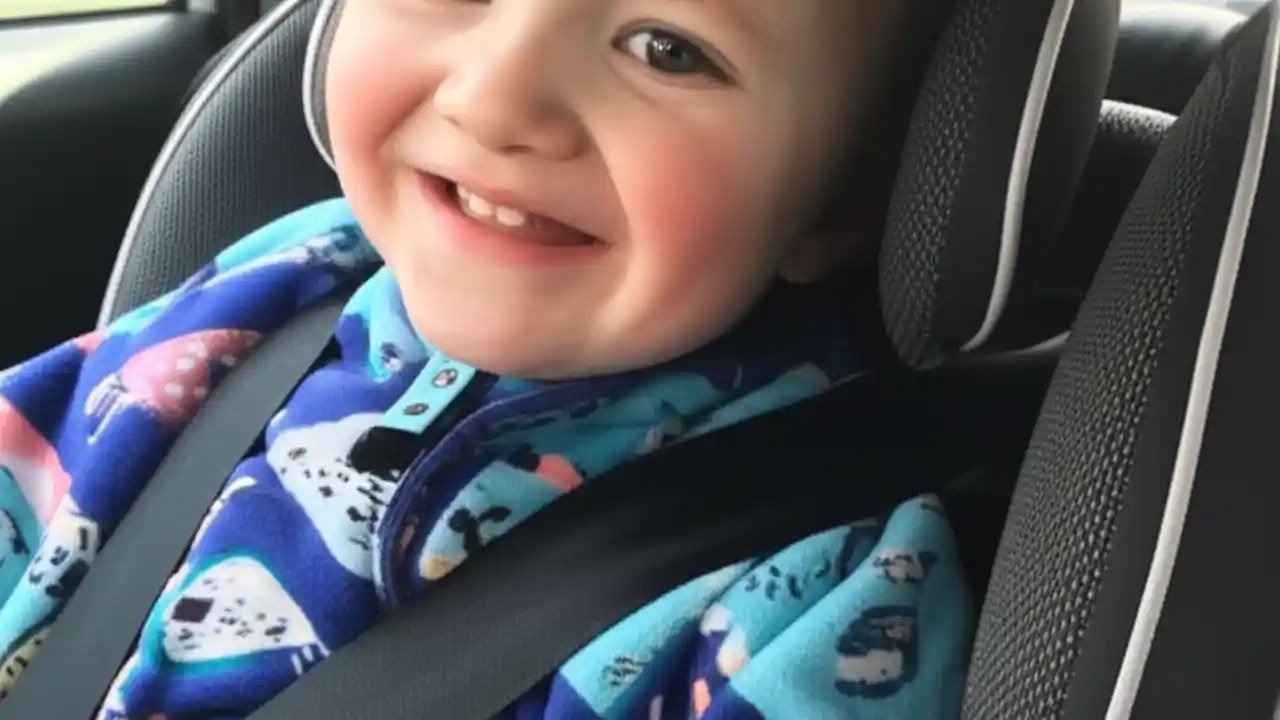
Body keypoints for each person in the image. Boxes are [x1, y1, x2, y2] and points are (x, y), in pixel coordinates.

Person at [0, 1, 969, 717]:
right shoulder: (275, 288)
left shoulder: (828, 598)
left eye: (666, 50)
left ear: (839, 203)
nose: (494, 100)